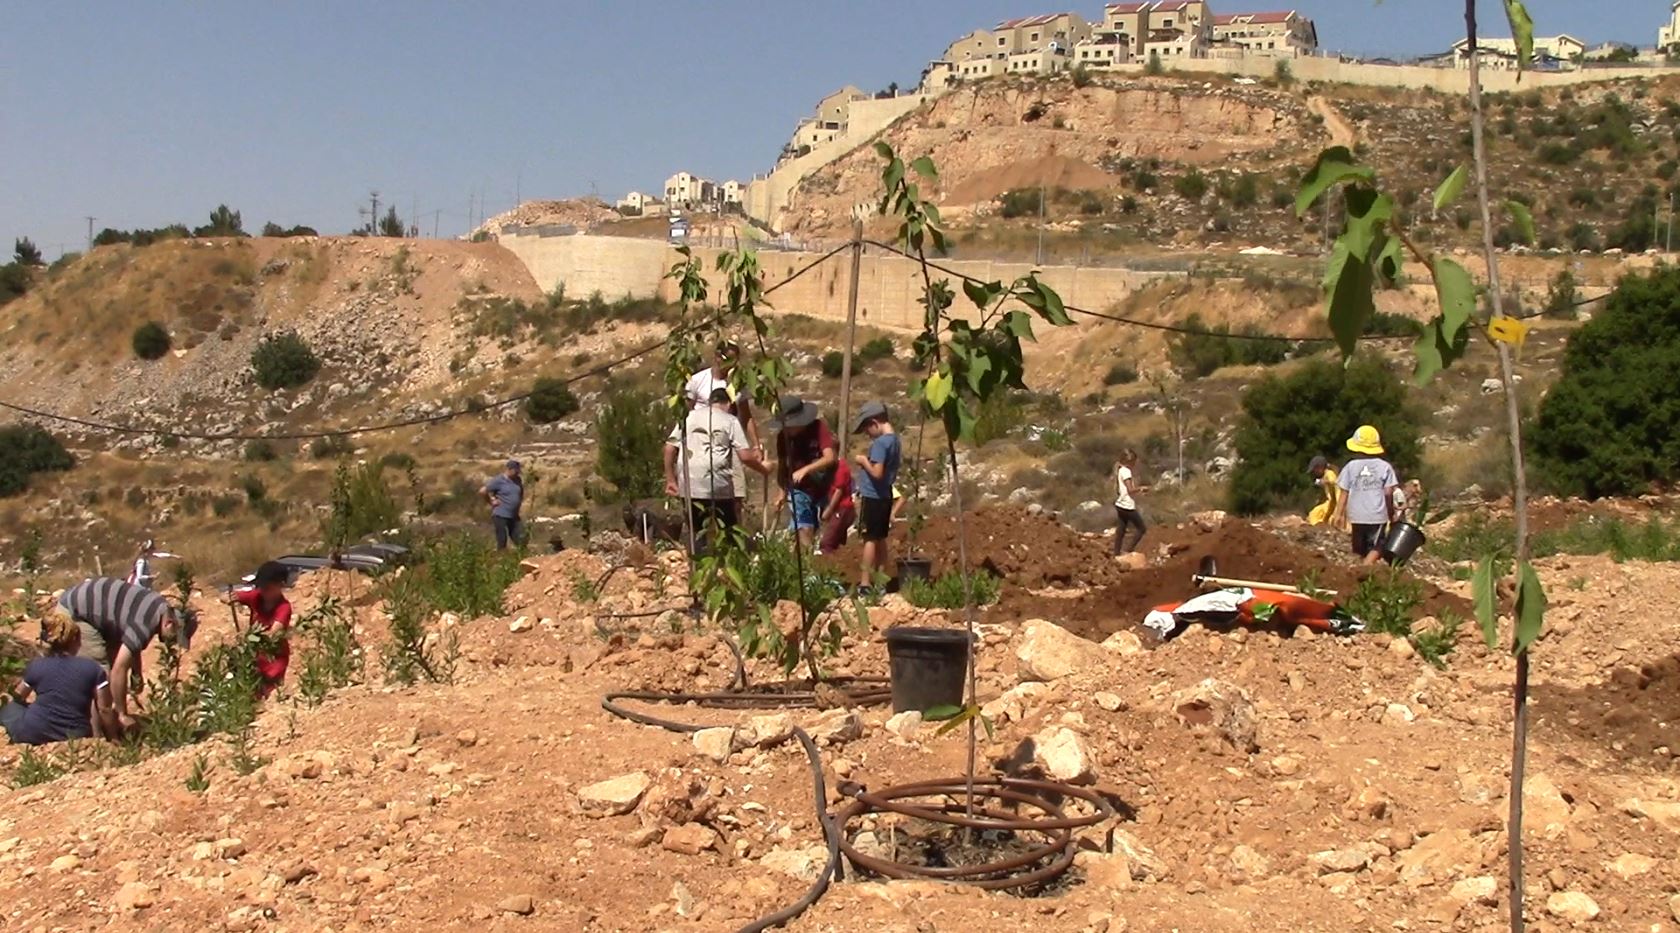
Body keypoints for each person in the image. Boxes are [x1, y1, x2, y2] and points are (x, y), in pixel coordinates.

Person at [52, 576, 191, 733]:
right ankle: (99, 736)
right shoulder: (147, 622)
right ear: (169, 624)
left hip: (94, 611)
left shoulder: (160, 607)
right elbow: (119, 668)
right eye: (175, 637)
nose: (172, 642)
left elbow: (131, 642)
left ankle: (105, 725)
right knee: (100, 676)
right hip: (75, 611)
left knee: (110, 665)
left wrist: (137, 672)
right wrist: (122, 714)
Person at [664, 388, 770, 545]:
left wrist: (671, 480)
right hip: (717, 484)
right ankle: (731, 555)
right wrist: (764, 469)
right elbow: (745, 456)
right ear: (729, 404)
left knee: (697, 532)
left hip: (689, 484)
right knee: (729, 530)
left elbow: (669, 448)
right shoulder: (730, 420)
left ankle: (698, 557)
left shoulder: (688, 417)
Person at [1, 612, 119, 744]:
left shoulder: (37, 665)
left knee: (10, 709)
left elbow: (19, 696)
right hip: (76, 733)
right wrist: (113, 738)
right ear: (76, 640)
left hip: (35, 732)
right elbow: (104, 709)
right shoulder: (93, 668)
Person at [685, 340, 759, 516]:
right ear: (718, 357)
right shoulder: (698, 381)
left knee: (736, 492)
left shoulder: (737, 383)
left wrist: (756, 444)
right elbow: (687, 413)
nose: (732, 364)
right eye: (729, 359)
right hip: (702, 442)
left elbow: (746, 414)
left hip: (730, 439)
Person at [768, 395, 838, 550]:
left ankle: (809, 555)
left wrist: (806, 469)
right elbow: (783, 467)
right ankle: (805, 558)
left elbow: (830, 457)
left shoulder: (818, 428)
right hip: (799, 489)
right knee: (804, 526)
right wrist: (781, 492)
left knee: (821, 528)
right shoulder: (783, 438)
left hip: (823, 486)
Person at [1333, 425, 1401, 565]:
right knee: (1379, 545)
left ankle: (1358, 568)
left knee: (1359, 548)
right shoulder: (1385, 467)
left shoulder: (1350, 466)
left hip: (1356, 515)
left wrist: (1338, 514)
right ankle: (1365, 569)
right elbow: (1388, 493)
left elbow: (1344, 491)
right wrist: (1391, 513)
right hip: (1377, 515)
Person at [853, 401, 901, 589]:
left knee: (869, 539)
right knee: (880, 538)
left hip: (872, 496)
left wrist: (864, 461)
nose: (867, 433)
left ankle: (865, 583)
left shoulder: (880, 444)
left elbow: (877, 473)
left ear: (874, 423)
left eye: (867, 428)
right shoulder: (895, 441)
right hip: (885, 496)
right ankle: (881, 582)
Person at [228, 561, 294, 699]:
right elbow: (231, 596)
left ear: (280, 585)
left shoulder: (284, 607)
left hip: (273, 660)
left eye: (268, 587)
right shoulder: (256, 596)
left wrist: (249, 637)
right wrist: (232, 599)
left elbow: (273, 633)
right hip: (254, 658)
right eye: (261, 587)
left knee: (268, 694)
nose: (263, 591)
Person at [481, 460, 525, 551]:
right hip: (500, 514)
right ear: (509, 469)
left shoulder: (518, 480)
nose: (517, 473)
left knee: (520, 539)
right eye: (515, 471)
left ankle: (521, 555)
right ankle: (501, 556)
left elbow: (520, 492)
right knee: (502, 539)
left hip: (514, 515)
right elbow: (483, 491)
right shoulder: (499, 480)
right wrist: (491, 501)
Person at [817, 457, 856, 555]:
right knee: (836, 541)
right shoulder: (834, 468)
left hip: (843, 508)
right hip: (840, 509)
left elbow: (839, 491)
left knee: (827, 542)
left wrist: (829, 510)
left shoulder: (840, 468)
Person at [1113, 449, 1149, 555]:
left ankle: (1116, 552)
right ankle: (1128, 550)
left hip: (1120, 504)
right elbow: (1130, 490)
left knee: (1121, 530)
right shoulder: (1126, 472)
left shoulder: (1120, 470)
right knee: (1141, 528)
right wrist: (1141, 488)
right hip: (1127, 506)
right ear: (1130, 461)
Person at [1306, 456, 1347, 529]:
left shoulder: (1329, 473)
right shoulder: (1325, 475)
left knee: (1331, 519)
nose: (1314, 473)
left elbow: (1334, 481)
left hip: (1337, 504)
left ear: (1320, 467)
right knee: (1314, 514)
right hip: (1331, 503)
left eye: (1314, 470)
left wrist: (1324, 482)